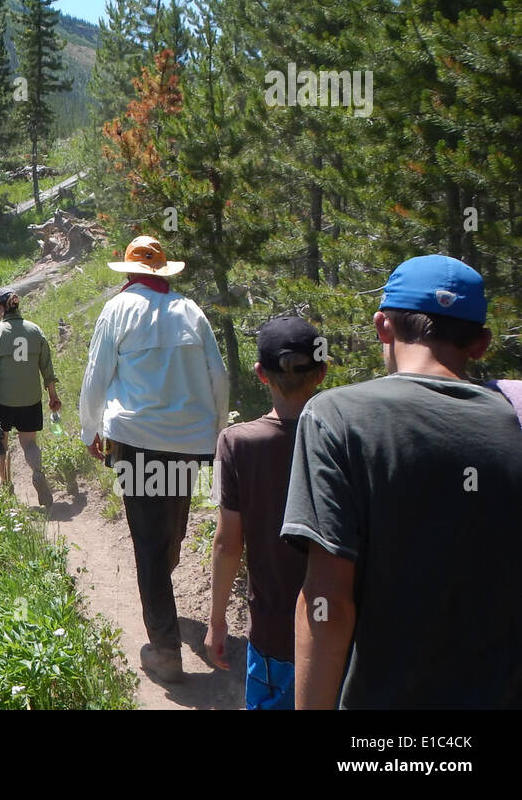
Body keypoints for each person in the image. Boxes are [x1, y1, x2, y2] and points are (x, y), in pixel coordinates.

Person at [283, 255, 522, 710]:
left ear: (382, 326)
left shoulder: (337, 416)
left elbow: (327, 602)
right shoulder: (515, 417)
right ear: (480, 343)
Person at [78, 235, 228, 685]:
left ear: (128, 272)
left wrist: (91, 430)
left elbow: (96, 375)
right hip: (187, 440)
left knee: (149, 543)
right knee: (170, 531)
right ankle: (163, 609)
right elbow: (217, 376)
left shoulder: (117, 311)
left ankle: (165, 648)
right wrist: (218, 431)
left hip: (136, 439)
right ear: (163, 272)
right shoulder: (190, 311)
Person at [205, 315, 327, 710]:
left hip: (275, 634)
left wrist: (217, 620)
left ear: (260, 373)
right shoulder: (347, 436)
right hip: (341, 634)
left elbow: (227, 544)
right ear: (321, 373)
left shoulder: (239, 443)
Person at [0, 290, 61, 507]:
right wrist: (52, 394)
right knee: (29, 443)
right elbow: (47, 365)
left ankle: (6, 486)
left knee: (1, 445)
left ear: (2, 307)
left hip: (3, 400)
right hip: (31, 398)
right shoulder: (35, 331)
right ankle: (38, 474)